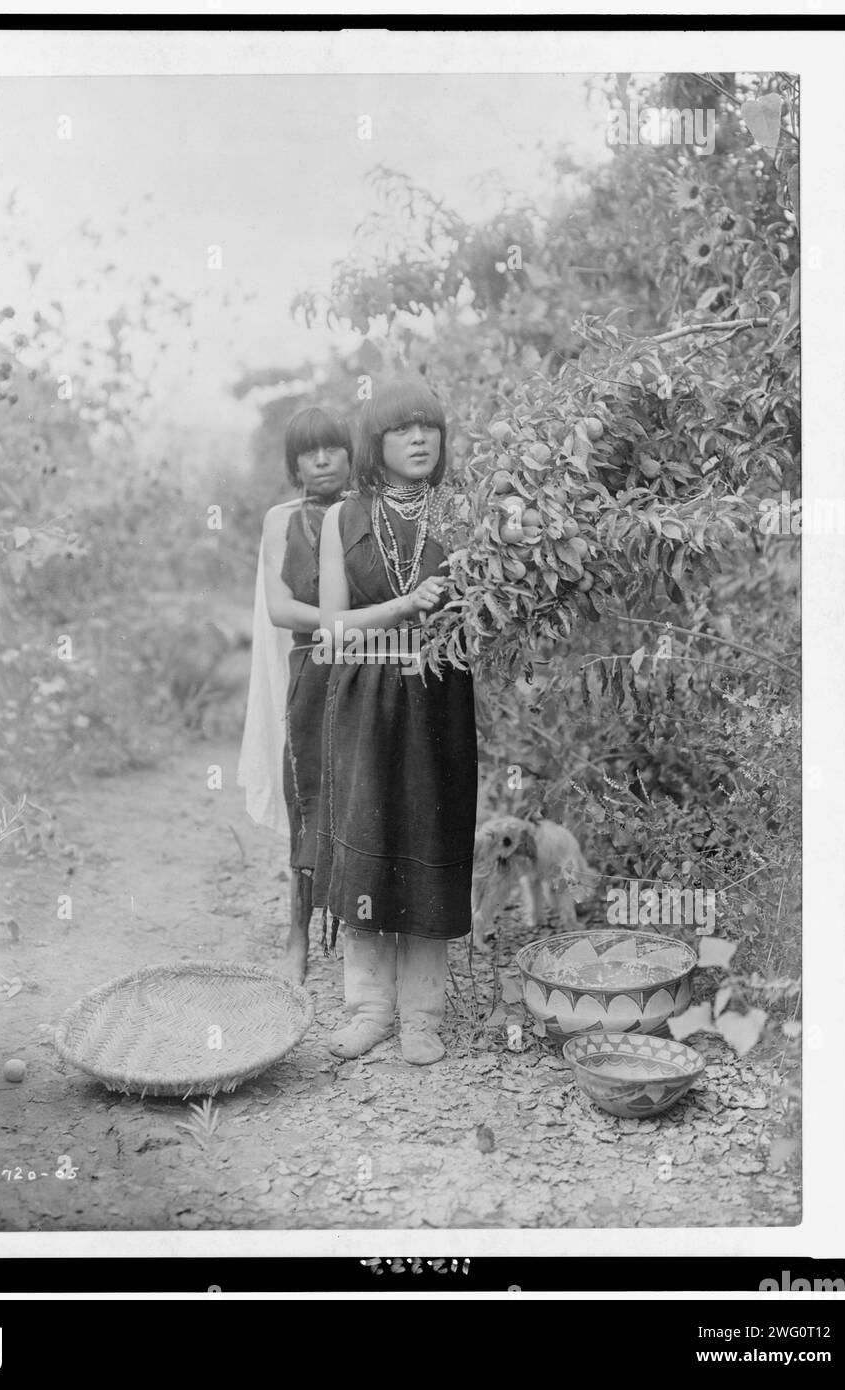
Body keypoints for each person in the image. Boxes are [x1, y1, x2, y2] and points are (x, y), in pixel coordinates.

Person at [314, 377, 477, 1064]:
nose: (419, 439)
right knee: (365, 841)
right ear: (375, 445)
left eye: (429, 428)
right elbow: (330, 631)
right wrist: (407, 605)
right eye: (403, 429)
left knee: (428, 840)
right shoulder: (341, 520)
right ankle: (369, 1009)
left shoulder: (467, 514)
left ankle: (423, 1015)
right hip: (360, 694)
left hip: (437, 693)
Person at [240, 405, 352, 983]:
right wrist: (348, 622)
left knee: (362, 797)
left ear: (352, 453)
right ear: (294, 463)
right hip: (314, 666)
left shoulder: (368, 512)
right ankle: (296, 940)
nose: (323, 458)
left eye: (332, 447)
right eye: (310, 451)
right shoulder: (282, 519)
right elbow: (281, 607)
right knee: (307, 796)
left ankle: (367, 945)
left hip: (371, 668)